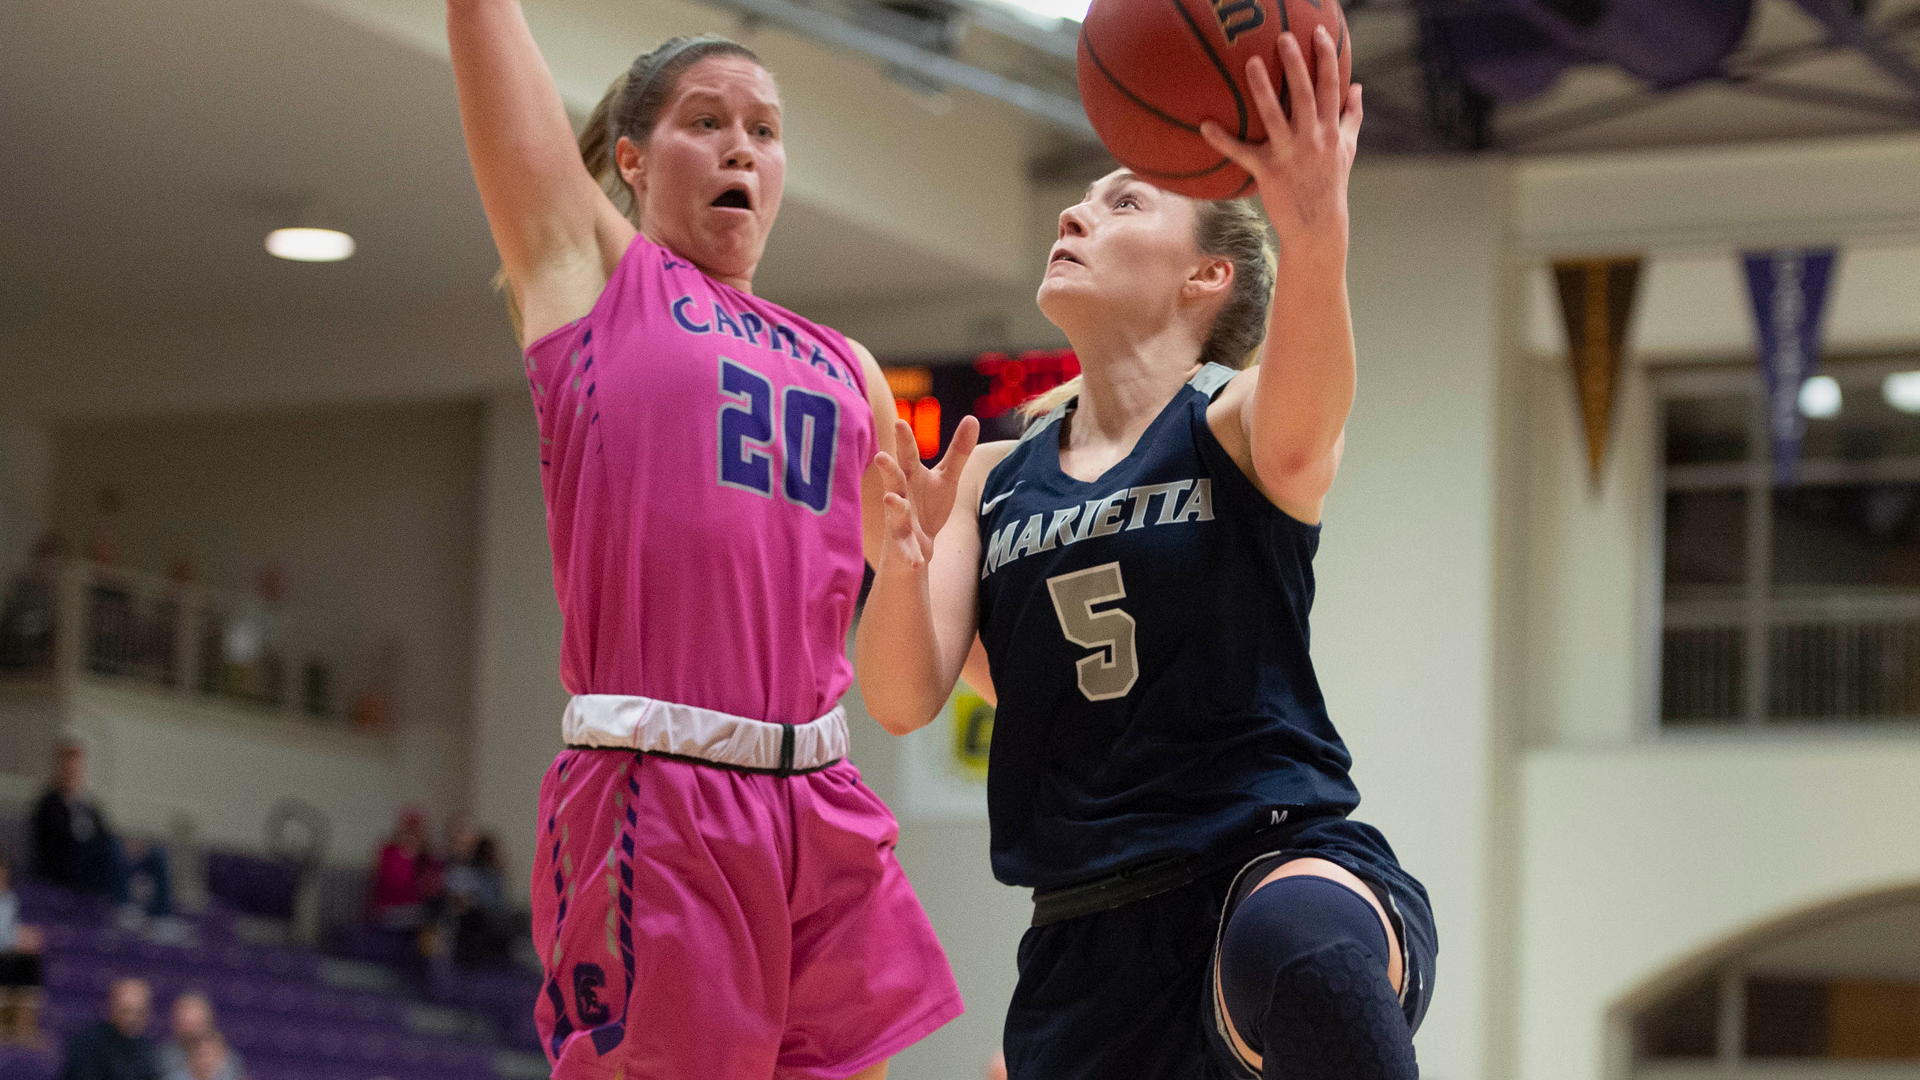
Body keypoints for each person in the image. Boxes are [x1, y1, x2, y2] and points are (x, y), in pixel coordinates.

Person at [857, 29, 1436, 1080]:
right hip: (1085, 933)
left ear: (1207, 274)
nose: (1075, 214)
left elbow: (1306, 430)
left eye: (1124, 202)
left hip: (1262, 862)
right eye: (1082, 200)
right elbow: (900, 700)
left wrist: (1316, 227)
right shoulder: (990, 478)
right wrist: (897, 559)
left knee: (1304, 957)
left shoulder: (1234, 421)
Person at [445, 4, 971, 1076]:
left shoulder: (849, 366)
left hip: (821, 793)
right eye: (707, 121)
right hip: (659, 789)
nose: (742, 147)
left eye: (765, 131)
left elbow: (922, 666)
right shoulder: (595, 281)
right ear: (631, 160)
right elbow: (493, 53)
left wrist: (922, 578)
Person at [30, 740, 173, 919]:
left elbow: (106, 833)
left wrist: (128, 846)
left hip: (100, 861)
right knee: (112, 848)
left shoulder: (89, 806)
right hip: (70, 867)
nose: (73, 775)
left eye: (77, 770)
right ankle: (123, 907)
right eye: (69, 770)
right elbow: (58, 844)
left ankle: (161, 916)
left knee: (155, 854)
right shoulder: (48, 804)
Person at [59, 977, 158, 1080]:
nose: (132, 1019)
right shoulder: (88, 1045)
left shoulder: (144, 1047)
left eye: (139, 1013)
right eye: (125, 1011)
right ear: (111, 1008)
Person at [0, 855, 46, 1047]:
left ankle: (24, 1026)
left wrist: (25, 936)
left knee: (29, 960)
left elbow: (8, 929)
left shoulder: (9, 899)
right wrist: (16, 940)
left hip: (6, 954)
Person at [154, 995, 242, 1080]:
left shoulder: (228, 1059)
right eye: (184, 1019)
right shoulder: (161, 1057)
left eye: (193, 1022)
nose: (188, 1025)